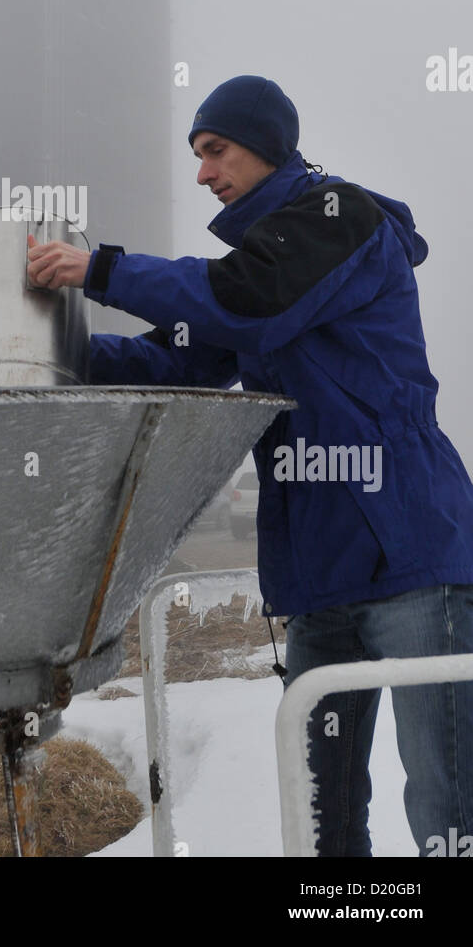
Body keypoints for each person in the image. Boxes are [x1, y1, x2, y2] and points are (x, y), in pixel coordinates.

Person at [26, 74, 473, 857]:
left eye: (215, 150)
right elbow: (178, 360)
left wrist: (100, 269)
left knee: (447, 803)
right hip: (318, 582)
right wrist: (46, 354)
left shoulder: (343, 222)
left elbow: (250, 298)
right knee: (320, 811)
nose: (202, 173)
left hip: (413, 559)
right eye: (196, 155)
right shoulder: (260, 270)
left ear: (267, 147)